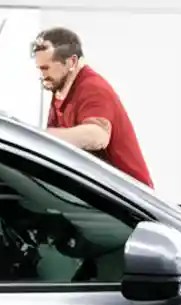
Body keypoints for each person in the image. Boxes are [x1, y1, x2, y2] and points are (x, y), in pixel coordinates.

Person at [31, 27, 154, 188]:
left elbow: (97, 136)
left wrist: (42, 137)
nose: (42, 75)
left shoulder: (92, 87)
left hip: (129, 200)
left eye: (45, 68)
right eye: (39, 68)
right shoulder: (61, 87)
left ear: (71, 62)